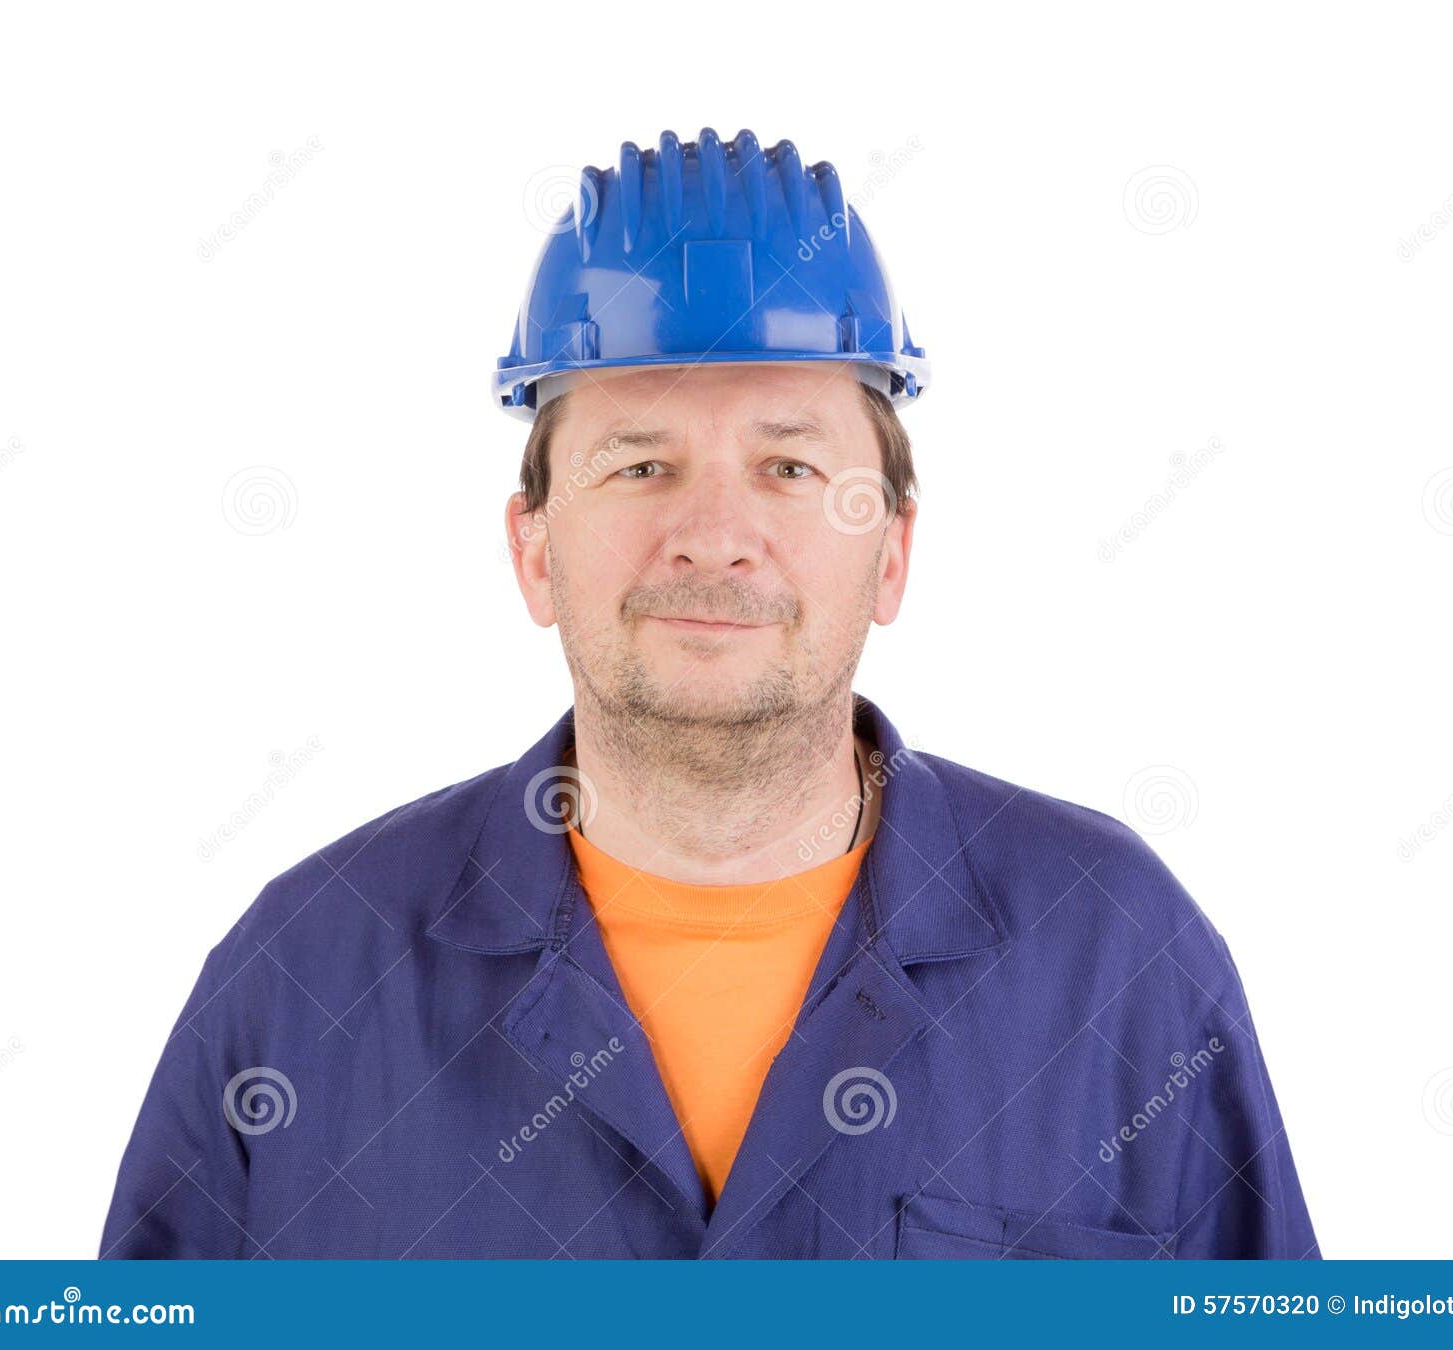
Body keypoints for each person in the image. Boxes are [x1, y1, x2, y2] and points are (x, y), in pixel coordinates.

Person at [100, 128, 1317, 1260]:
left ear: (891, 550)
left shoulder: (1112, 956)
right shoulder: (309, 977)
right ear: (533, 548)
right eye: (640, 464)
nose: (714, 535)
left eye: (789, 465)